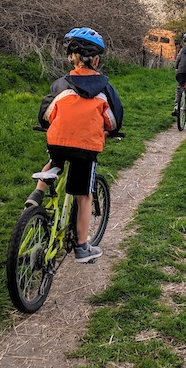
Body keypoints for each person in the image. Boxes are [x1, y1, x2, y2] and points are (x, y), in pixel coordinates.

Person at [24, 27, 123, 263]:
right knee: (84, 195)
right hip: (86, 149)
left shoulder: (61, 84)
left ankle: (37, 193)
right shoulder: (105, 88)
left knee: (54, 159)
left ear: (71, 58)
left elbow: (46, 113)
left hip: (58, 142)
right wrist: (110, 131)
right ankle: (81, 246)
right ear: (97, 59)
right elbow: (113, 120)